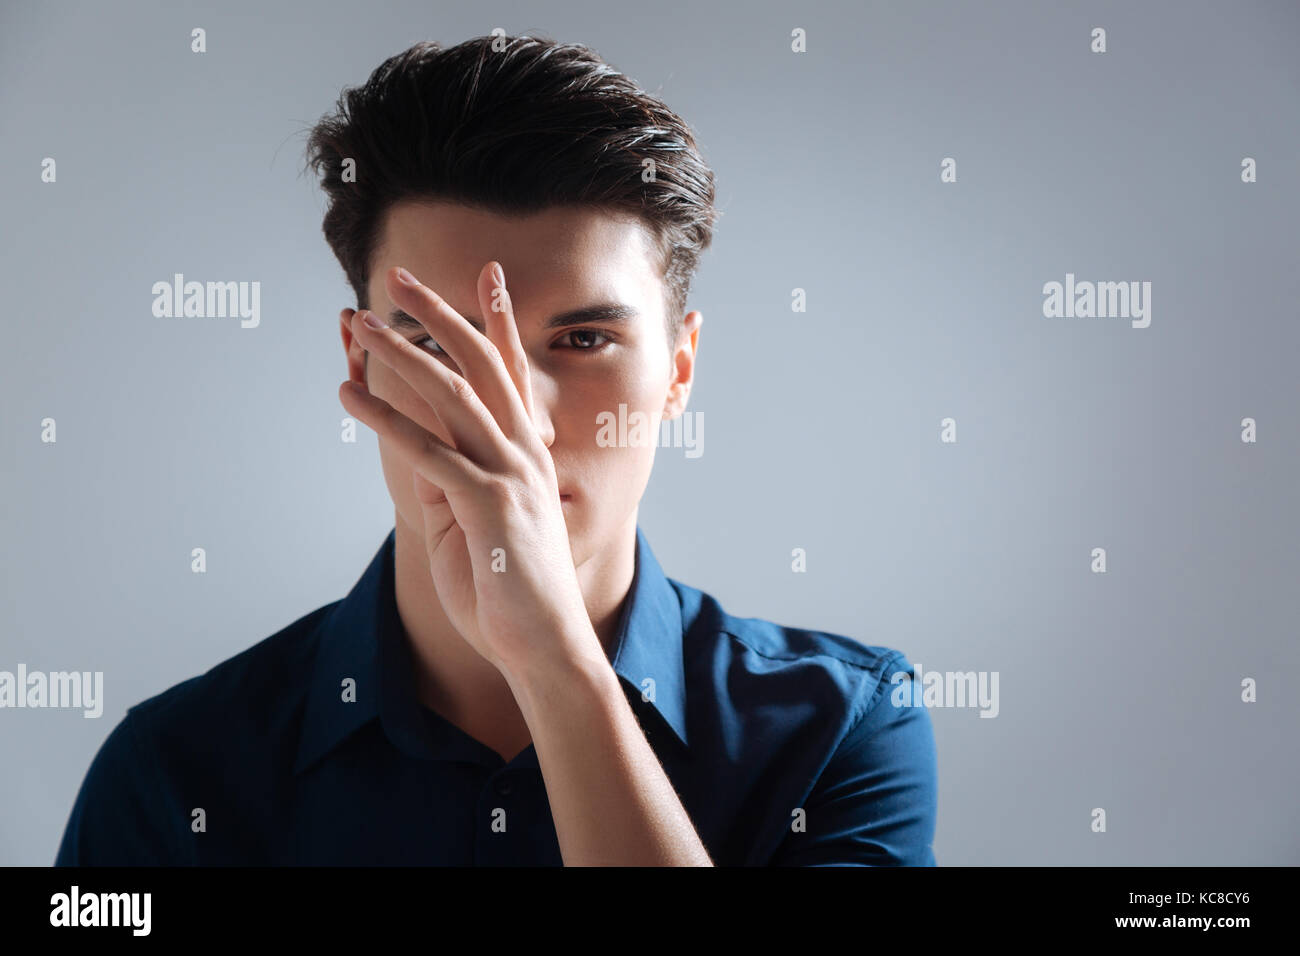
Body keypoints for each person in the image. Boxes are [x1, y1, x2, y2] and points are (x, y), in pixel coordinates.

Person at [55, 34, 937, 866]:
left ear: (678, 369)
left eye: (584, 340)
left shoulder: (840, 730)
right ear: (361, 361)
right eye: (440, 346)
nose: (516, 420)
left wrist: (553, 663)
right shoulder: (173, 772)